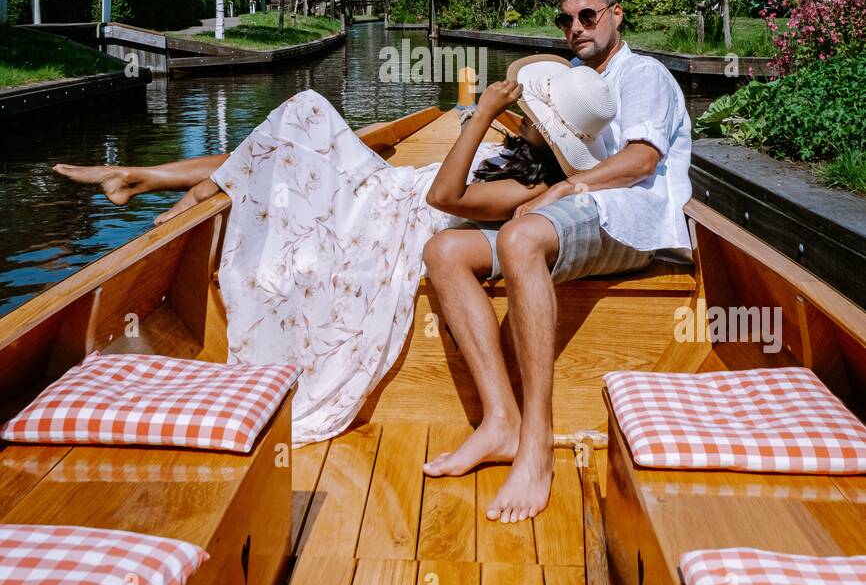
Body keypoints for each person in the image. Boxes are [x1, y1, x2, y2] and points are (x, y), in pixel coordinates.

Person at [53, 62, 617, 450]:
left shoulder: (527, 190)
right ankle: (143, 176)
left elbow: (442, 197)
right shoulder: (513, 156)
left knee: (303, 124)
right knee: (295, 135)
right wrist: (484, 124)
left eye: (535, 113)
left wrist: (487, 112)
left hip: (389, 216)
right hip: (390, 188)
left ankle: (170, 185)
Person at [422, 0, 692, 525]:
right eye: (565, 19)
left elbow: (642, 161)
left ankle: (537, 444)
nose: (575, 27)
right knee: (444, 252)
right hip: (573, 214)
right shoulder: (569, 82)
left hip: (631, 219)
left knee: (522, 237)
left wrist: (569, 186)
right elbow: (522, 170)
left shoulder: (643, 74)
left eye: (587, 15)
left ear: (616, 14)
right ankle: (500, 421)